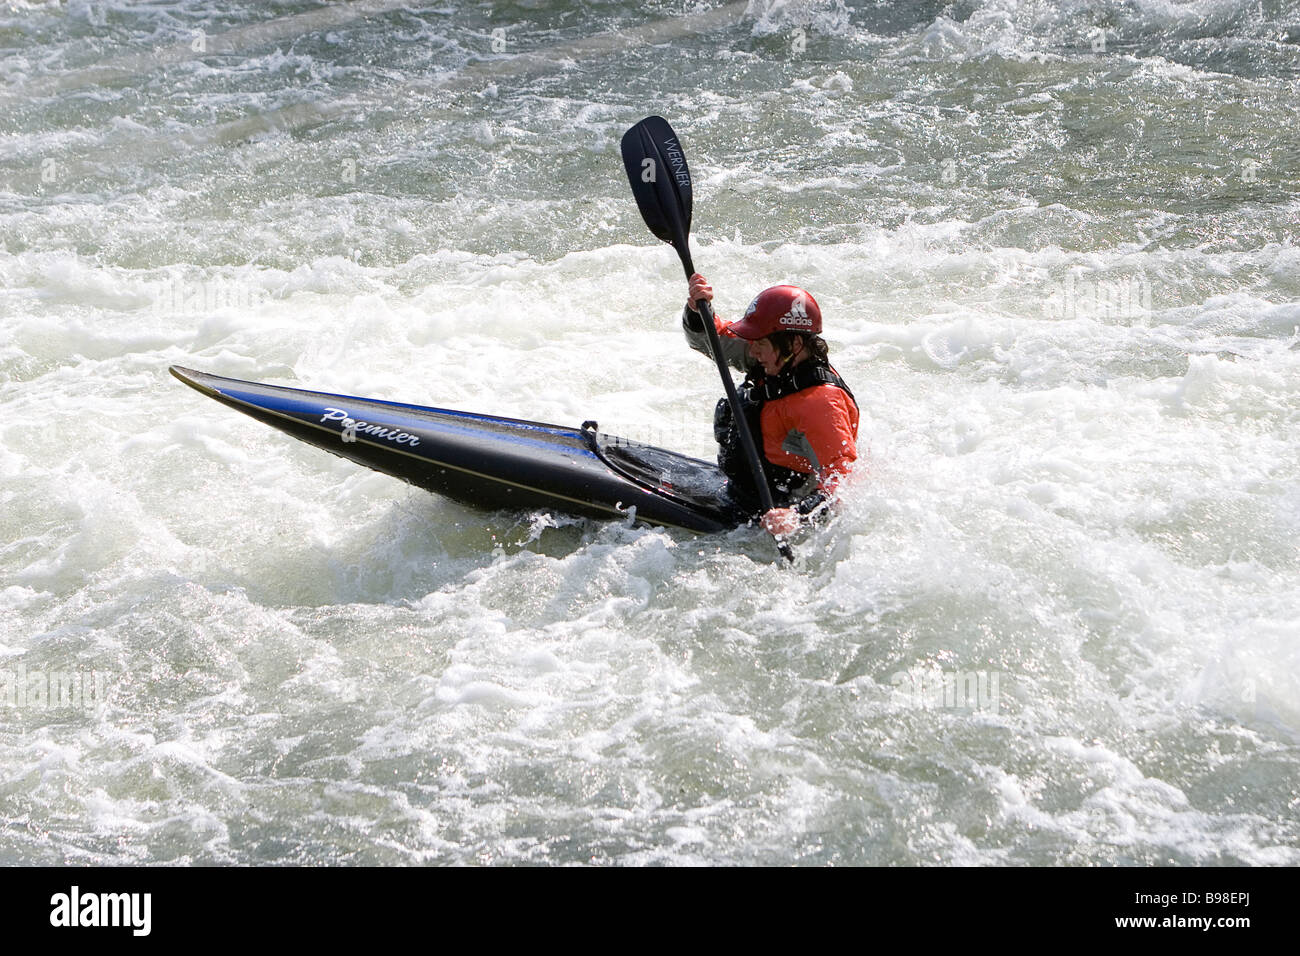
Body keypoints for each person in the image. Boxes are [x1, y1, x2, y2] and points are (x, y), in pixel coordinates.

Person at [682, 273, 859, 536]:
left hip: (778, 515)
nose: (752, 351)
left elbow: (843, 483)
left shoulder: (820, 404)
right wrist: (698, 310)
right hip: (741, 493)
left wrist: (796, 517)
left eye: (760, 343)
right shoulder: (775, 357)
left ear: (795, 344)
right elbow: (711, 340)